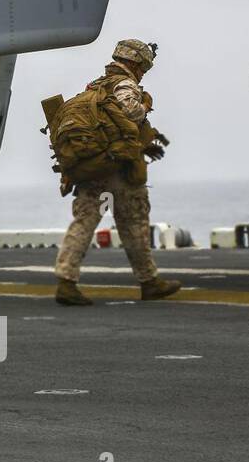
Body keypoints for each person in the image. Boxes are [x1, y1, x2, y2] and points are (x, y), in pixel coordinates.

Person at [53, 40, 181, 306]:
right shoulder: (124, 85)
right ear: (134, 63)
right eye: (143, 67)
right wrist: (144, 105)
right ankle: (149, 282)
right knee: (134, 222)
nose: (143, 72)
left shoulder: (95, 87)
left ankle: (66, 281)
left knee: (84, 221)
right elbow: (129, 110)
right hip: (118, 168)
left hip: (93, 165)